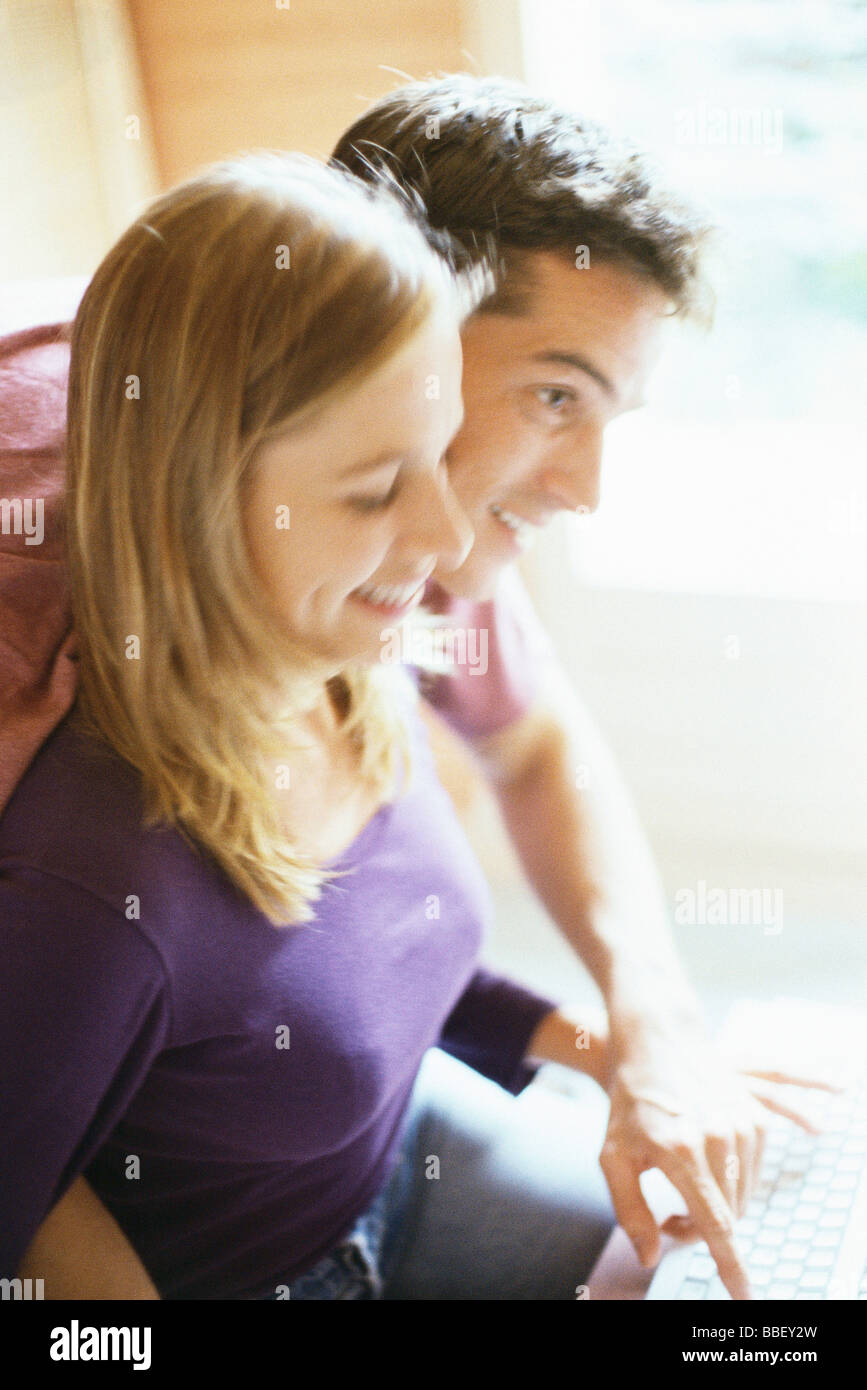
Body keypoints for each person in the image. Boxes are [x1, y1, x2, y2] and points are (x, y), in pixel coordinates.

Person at [0, 149, 620, 1301]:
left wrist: (604, 1041)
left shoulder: (345, 656)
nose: (445, 537)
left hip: (394, 1154)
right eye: (376, 487)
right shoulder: (95, 879)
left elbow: (355, 970)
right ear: (196, 494)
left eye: (438, 455)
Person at [329, 73, 836, 1296]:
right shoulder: (66, 632)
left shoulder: (424, 529)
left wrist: (648, 1033)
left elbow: (536, 746)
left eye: (610, 413)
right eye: (555, 397)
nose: (586, 489)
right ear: (378, 334)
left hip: (370, 1140)